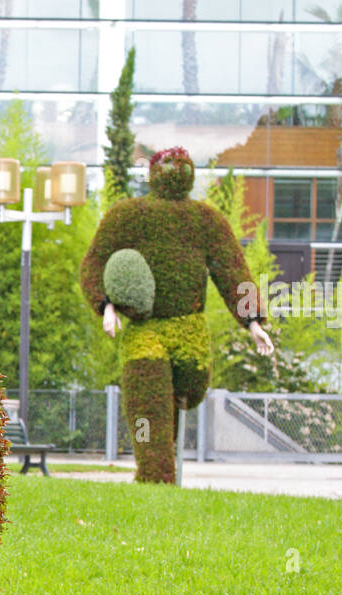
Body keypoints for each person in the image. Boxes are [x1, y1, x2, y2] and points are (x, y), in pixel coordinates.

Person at [80, 147, 274, 483]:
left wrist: (252, 321)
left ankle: (160, 466)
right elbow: (94, 264)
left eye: (179, 162)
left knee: (189, 385)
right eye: (167, 163)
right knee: (148, 394)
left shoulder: (206, 219)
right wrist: (106, 305)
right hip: (144, 329)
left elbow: (232, 271)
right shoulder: (127, 215)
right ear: (154, 173)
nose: (174, 169)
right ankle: (156, 478)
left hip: (191, 328)